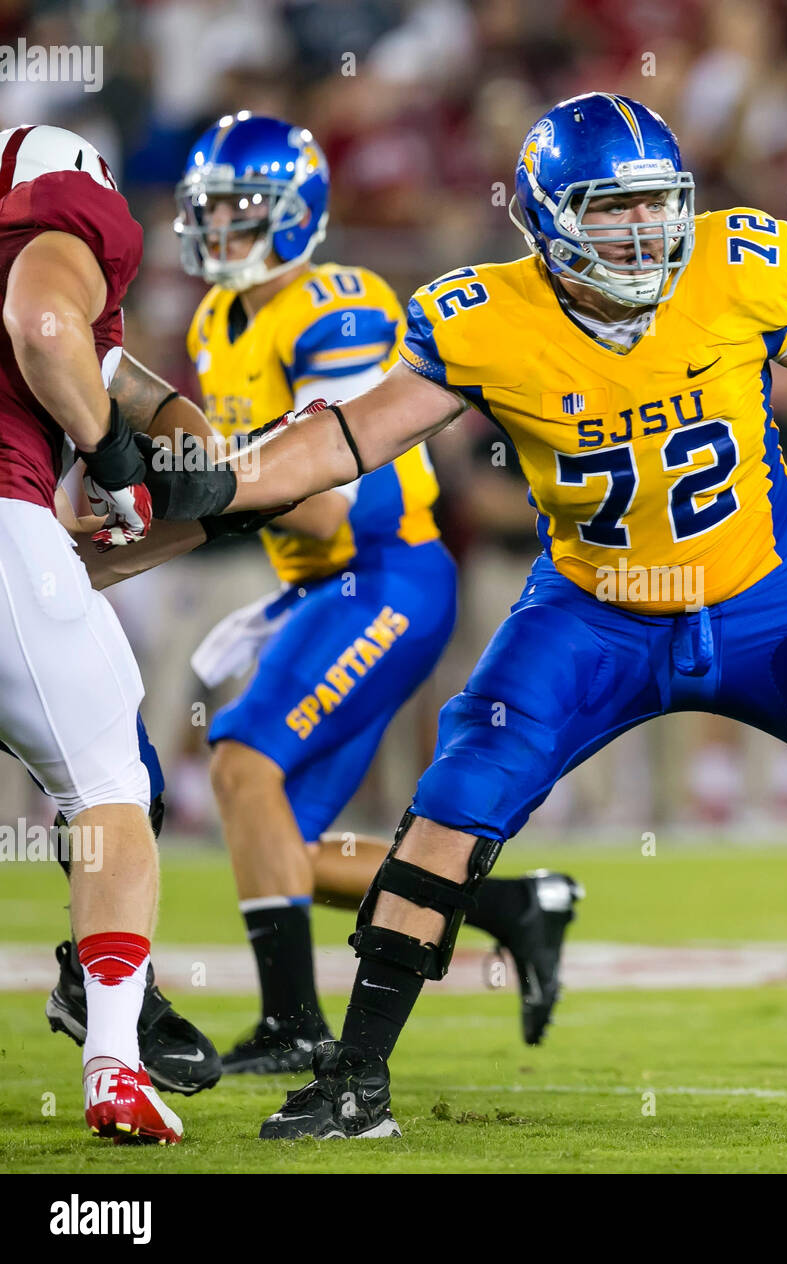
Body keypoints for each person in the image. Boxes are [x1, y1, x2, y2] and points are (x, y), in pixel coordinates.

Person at [135, 94, 787, 1140]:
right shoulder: (483, 314)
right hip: (595, 610)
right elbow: (344, 438)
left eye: (658, 202)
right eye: (611, 208)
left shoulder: (740, 263)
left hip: (769, 600)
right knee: (450, 809)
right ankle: (357, 1076)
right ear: (547, 218)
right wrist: (218, 479)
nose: (646, 230)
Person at [170, 113, 582, 1071]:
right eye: (211, 209)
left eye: (242, 208)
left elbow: (317, 507)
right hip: (324, 586)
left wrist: (172, 482)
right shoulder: (211, 320)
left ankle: (292, 1025)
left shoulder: (339, 303)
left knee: (239, 764)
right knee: (280, 839)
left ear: (297, 212)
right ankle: (515, 905)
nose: (221, 226)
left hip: (382, 570)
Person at [0, 122, 222, 1144]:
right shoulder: (56, 204)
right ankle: (114, 1063)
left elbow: (89, 355)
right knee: (112, 796)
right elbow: (44, 325)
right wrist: (114, 452)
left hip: (27, 519)